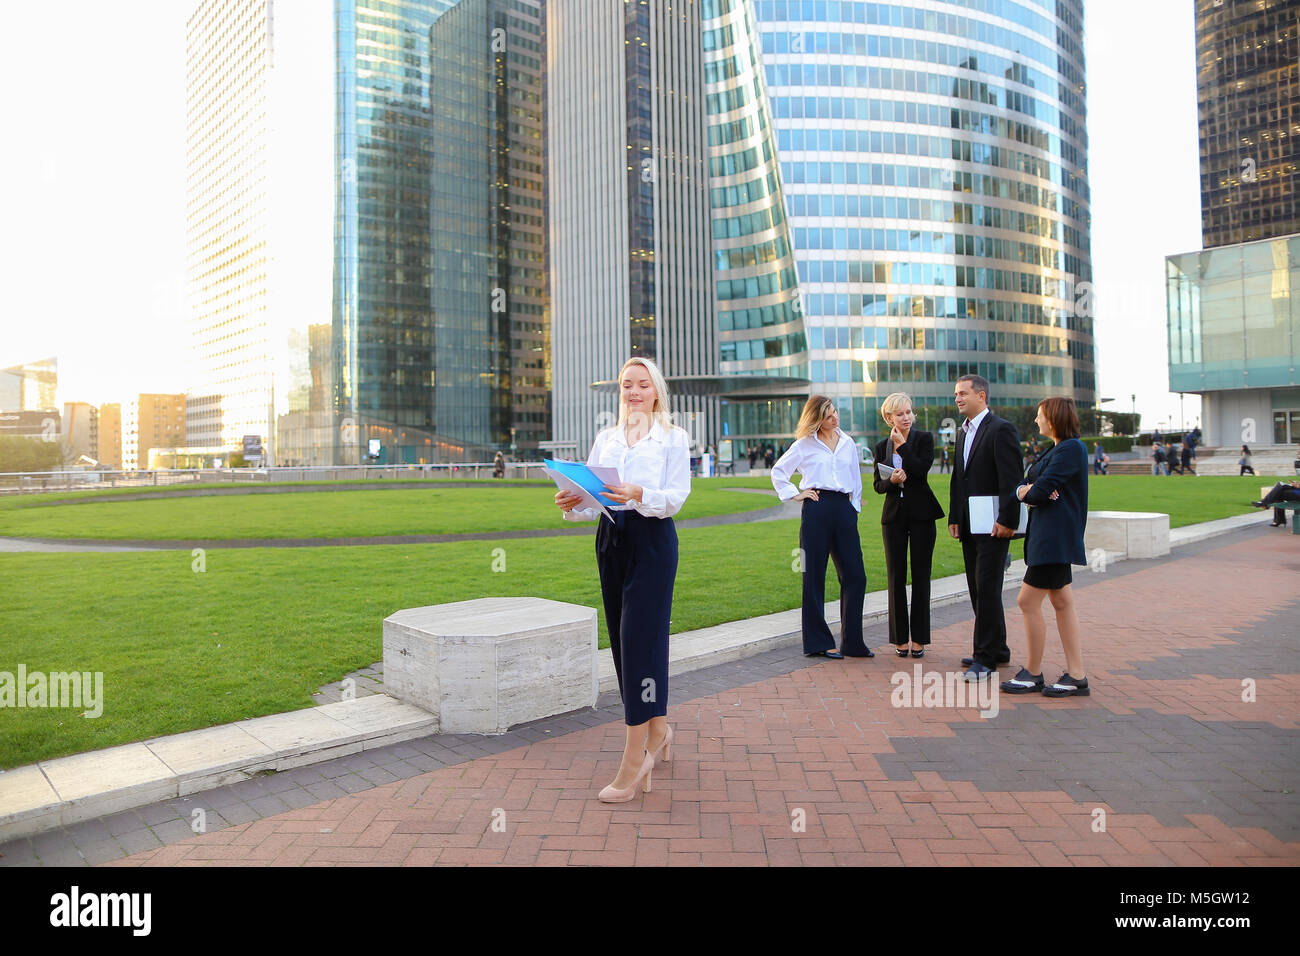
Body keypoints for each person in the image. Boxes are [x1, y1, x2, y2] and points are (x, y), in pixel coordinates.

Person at [554, 356, 690, 803]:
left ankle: (635, 759)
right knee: (622, 640)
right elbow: (592, 502)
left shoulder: (672, 438)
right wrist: (572, 501)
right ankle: (659, 729)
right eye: (627, 384)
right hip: (611, 541)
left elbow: (675, 499)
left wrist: (639, 493)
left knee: (640, 642)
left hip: (652, 541)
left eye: (642, 384)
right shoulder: (606, 439)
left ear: (656, 392)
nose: (633, 391)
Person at [1001, 397, 1091, 698]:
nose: (1036, 421)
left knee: (1027, 602)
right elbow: (1028, 484)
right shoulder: (1058, 449)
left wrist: (1031, 491)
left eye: (1040, 416)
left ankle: (1034, 672)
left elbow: (1037, 490)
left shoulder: (1071, 449)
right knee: (1062, 603)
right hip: (1049, 538)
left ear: (1052, 419)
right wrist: (1027, 490)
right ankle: (1076, 674)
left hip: (1054, 540)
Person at [772, 395, 873, 659]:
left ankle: (853, 642)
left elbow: (855, 477)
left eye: (835, 412)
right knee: (813, 575)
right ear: (817, 418)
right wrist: (797, 493)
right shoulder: (804, 444)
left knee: (856, 576)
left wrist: (854, 509)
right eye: (828, 415)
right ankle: (819, 643)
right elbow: (779, 471)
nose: (835, 418)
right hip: (817, 507)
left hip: (844, 508)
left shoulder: (848, 442)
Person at [948, 374, 1022, 681]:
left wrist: (1007, 521)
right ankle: (998, 648)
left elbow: (1012, 479)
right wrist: (954, 516)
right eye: (955, 394)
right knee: (978, 589)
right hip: (969, 524)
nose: (958, 398)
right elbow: (958, 478)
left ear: (982, 396)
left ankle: (985, 658)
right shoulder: (964, 433)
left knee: (988, 589)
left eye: (963, 393)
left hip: (994, 524)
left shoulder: (1000, 429)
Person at [872, 392, 944, 659]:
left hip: (923, 515)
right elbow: (878, 485)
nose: (906, 417)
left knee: (921, 576)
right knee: (896, 577)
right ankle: (900, 638)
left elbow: (922, 470)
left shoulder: (924, 439)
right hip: (893, 518)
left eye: (909, 412)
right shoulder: (881, 446)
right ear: (889, 417)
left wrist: (902, 446)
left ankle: (920, 639)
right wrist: (891, 481)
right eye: (900, 413)